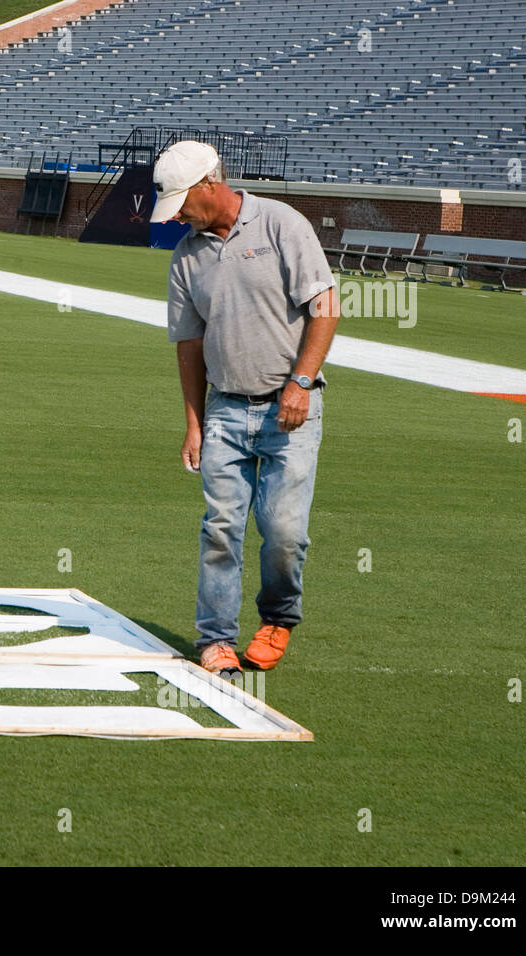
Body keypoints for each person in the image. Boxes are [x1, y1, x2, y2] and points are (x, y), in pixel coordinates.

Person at [152, 141, 339, 676]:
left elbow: (325, 307)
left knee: (283, 531)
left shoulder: (282, 224)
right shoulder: (186, 255)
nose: (179, 216)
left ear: (211, 184)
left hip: (291, 411)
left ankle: (278, 618)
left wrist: (300, 382)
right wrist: (193, 423)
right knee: (220, 527)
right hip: (225, 412)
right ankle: (215, 640)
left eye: (183, 203)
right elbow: (189, 344)